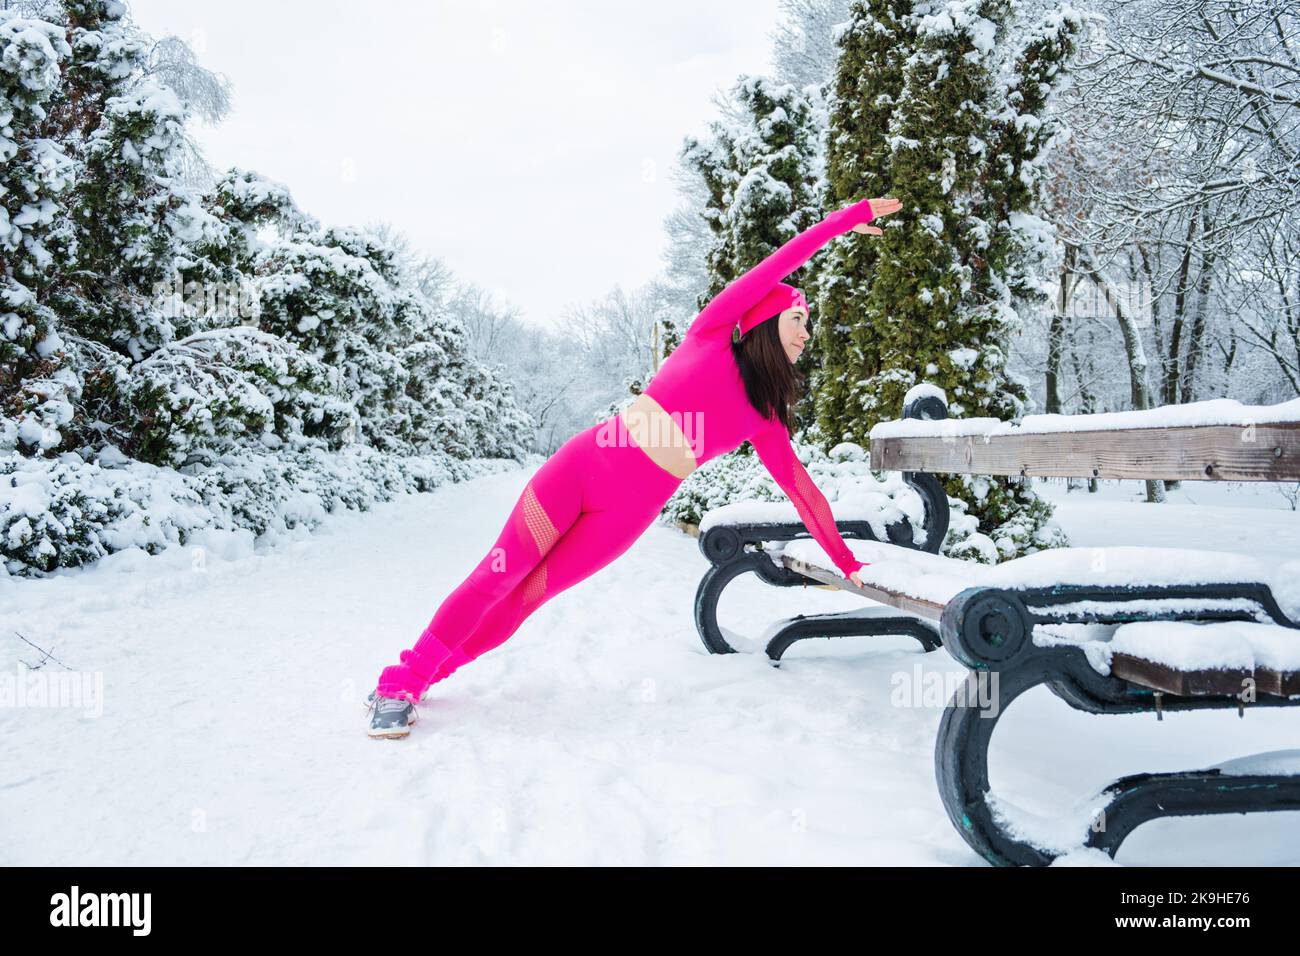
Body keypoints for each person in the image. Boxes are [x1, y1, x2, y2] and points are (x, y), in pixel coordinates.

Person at [366, 194, 900, 738]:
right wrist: (847, 220)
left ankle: (427, 676)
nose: (806, 334)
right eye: (798, 319)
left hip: (624, 516)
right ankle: (398, 683)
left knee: (524, 601)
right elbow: (778, 263)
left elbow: (801, 490)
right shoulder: (711, 335)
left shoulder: (764, 416)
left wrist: (847, 562)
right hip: (580, 470)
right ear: (765, 319)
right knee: (497, 576)